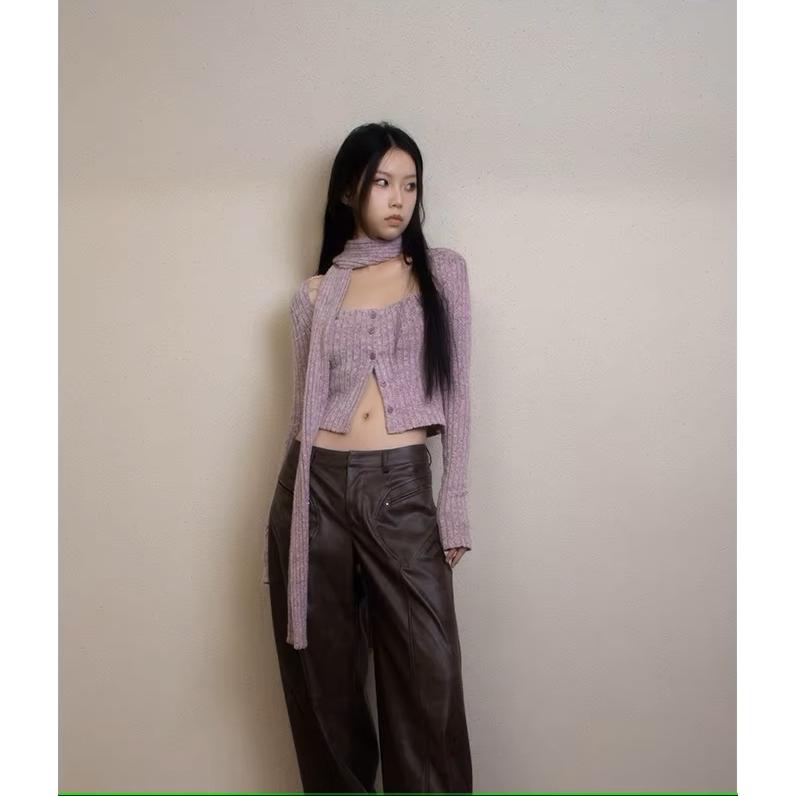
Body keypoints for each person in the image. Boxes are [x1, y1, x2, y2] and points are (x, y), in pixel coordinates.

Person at [263, 121, 473, 793]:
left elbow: (459, 392)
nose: (398, 198)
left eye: (409, 184)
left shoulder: (441, 272)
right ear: (348, 191)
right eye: (382, 182)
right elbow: (300, 409)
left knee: (428, 680)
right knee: (324, 688)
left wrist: (454, 501)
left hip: (400, 490)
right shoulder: (315, 294)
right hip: (313, 491)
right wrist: (290, 516)